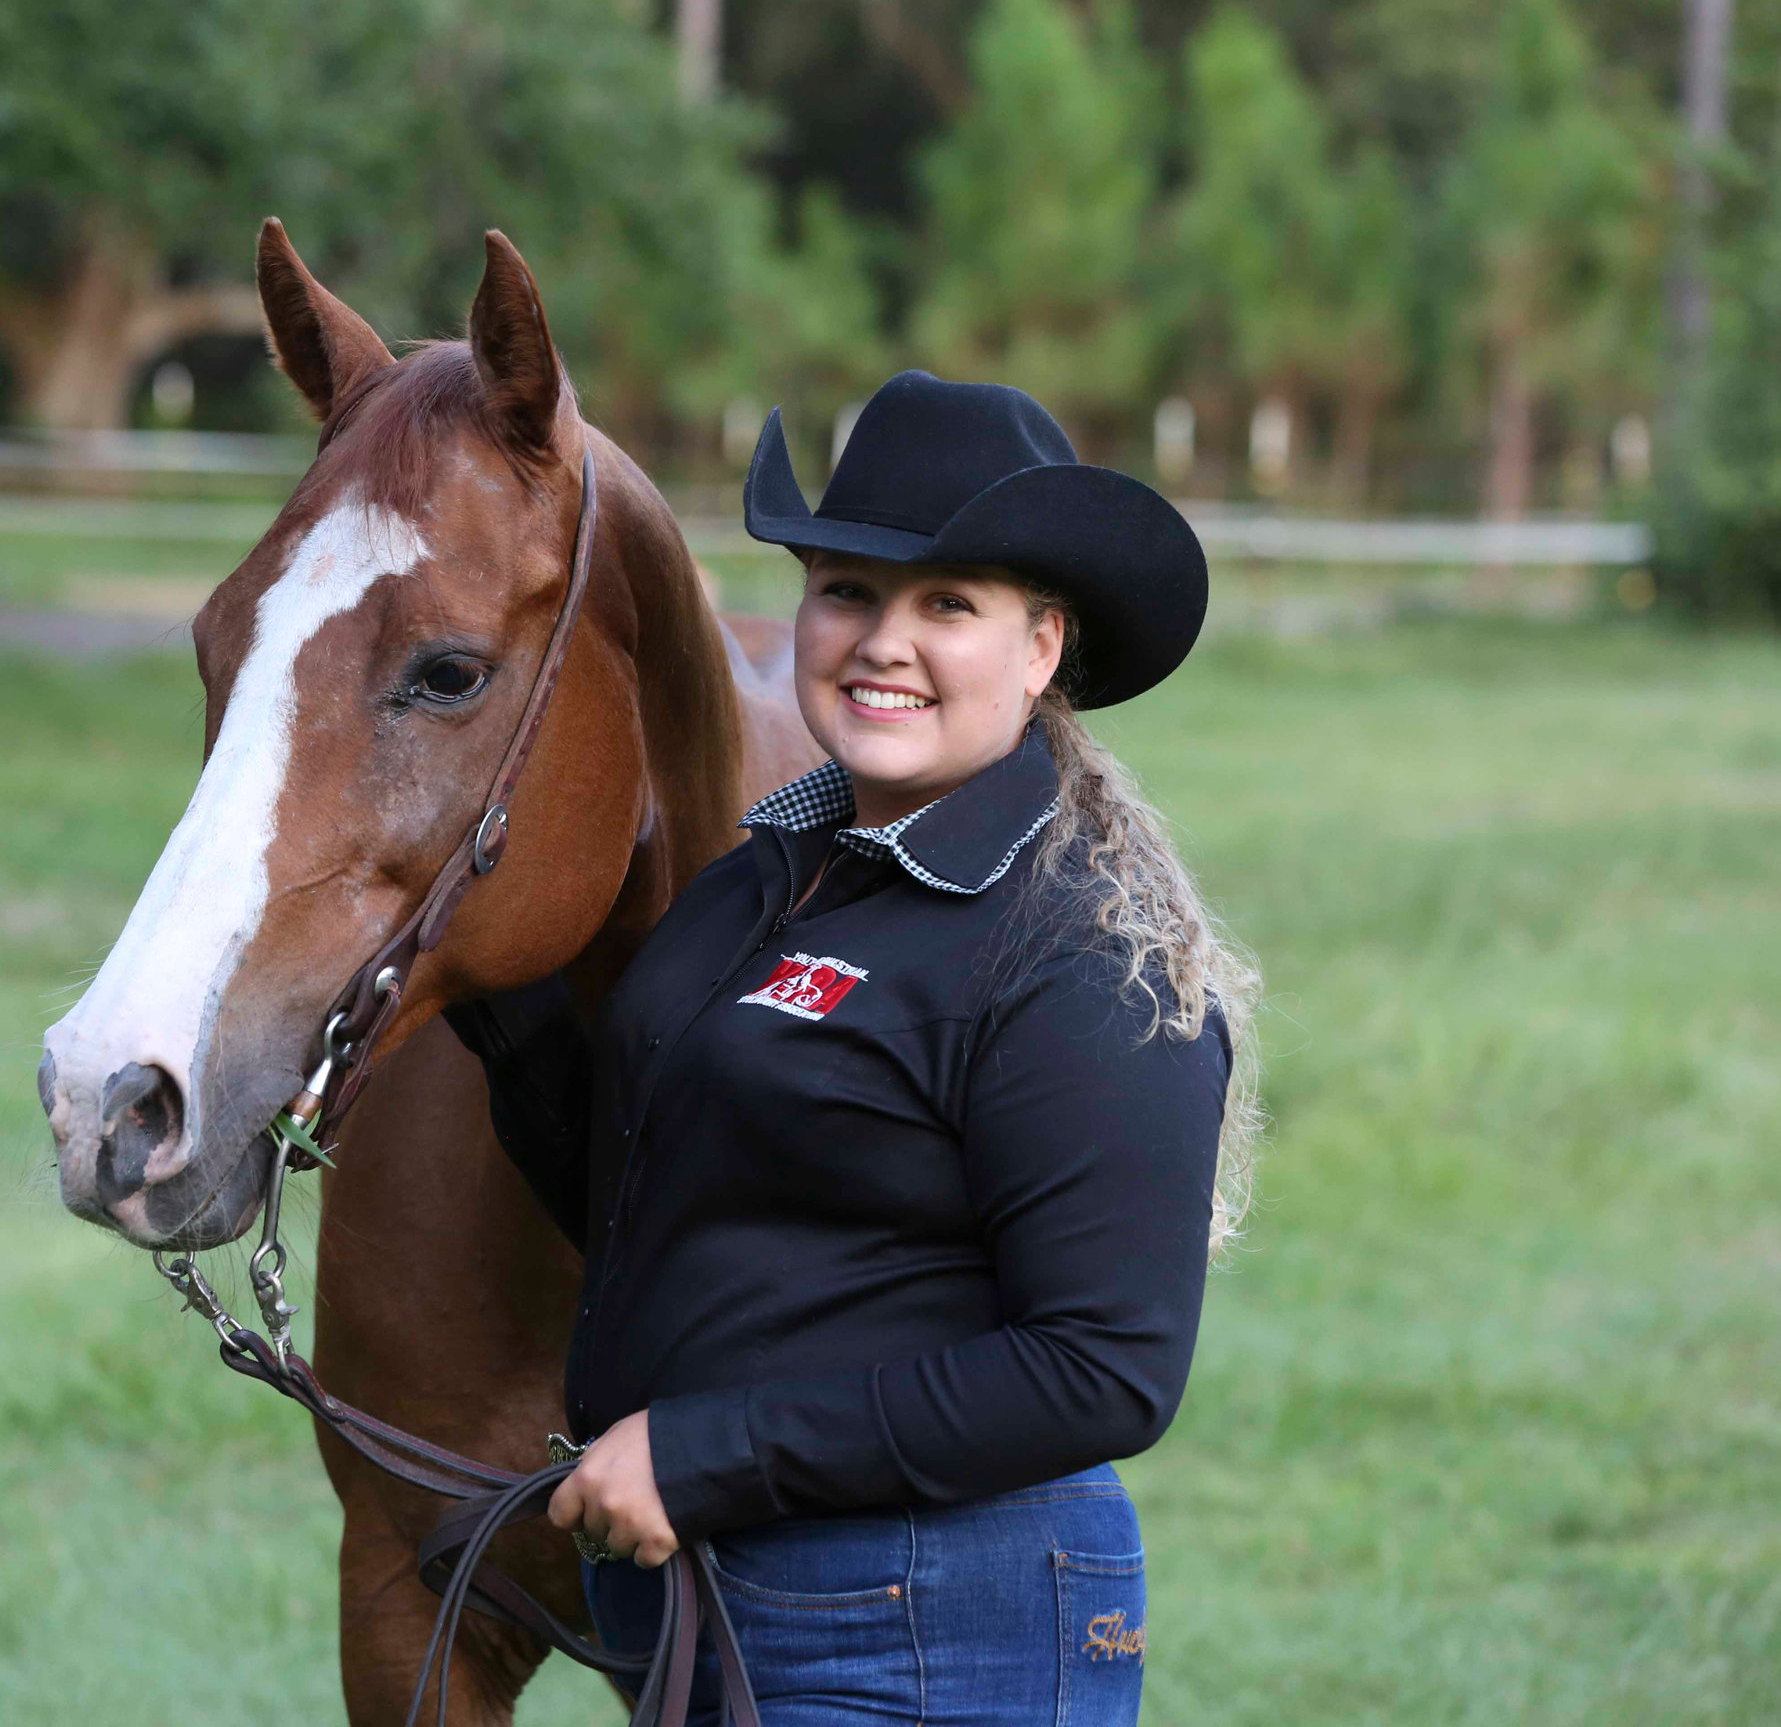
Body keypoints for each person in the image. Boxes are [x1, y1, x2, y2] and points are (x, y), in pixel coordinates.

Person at [447, 371, 1261, 1724]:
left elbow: (1103, 1364)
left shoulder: (1080, 947)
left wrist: (704, 1450)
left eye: (949, 605)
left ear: (1044, 645)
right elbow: (650, 1178)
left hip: (925, 1627)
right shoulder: (769, 874)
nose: (885, 641)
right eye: (850, 591)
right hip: (720, 1604)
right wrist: (483, 978)